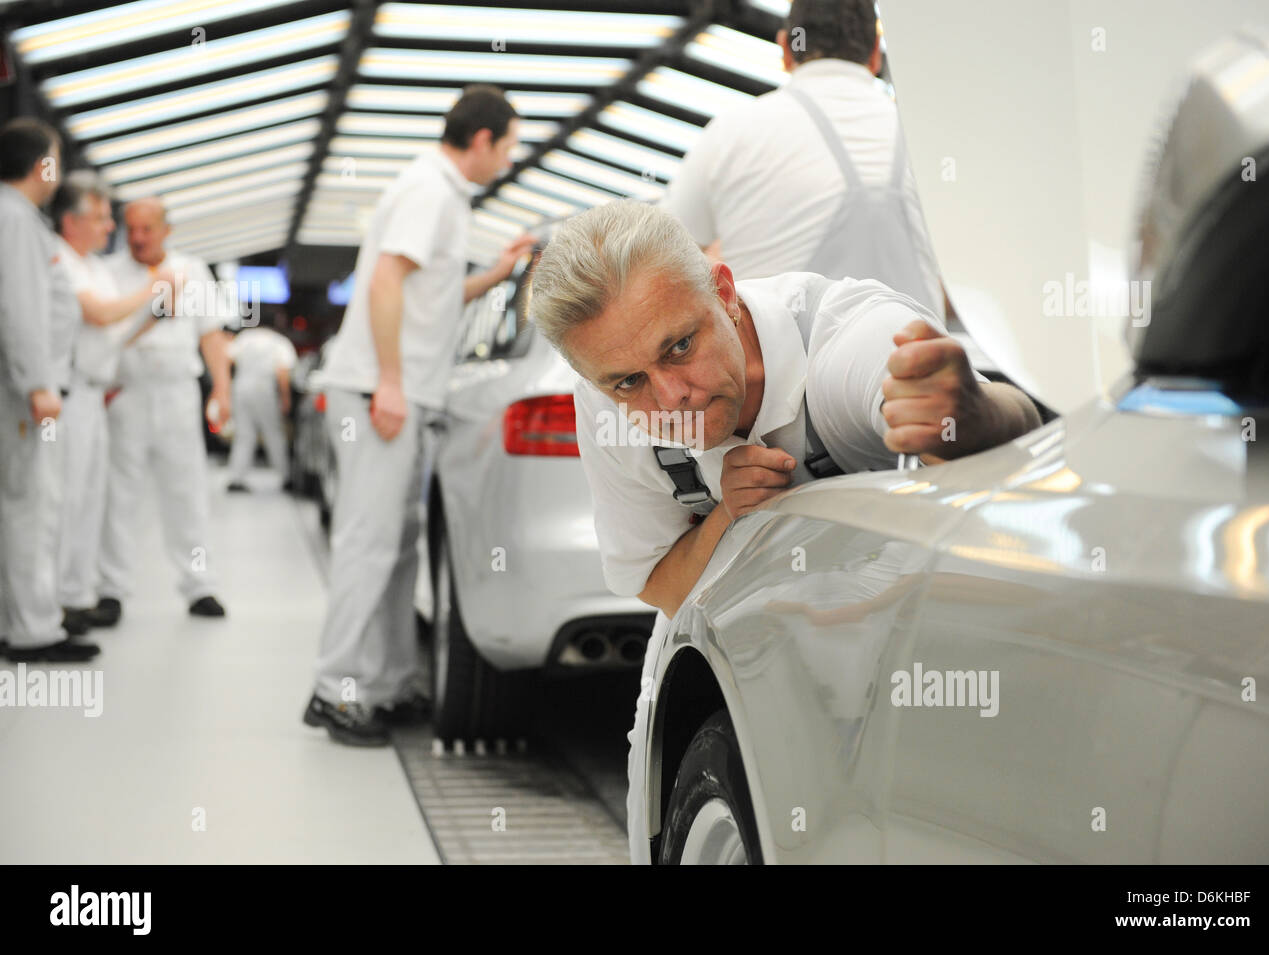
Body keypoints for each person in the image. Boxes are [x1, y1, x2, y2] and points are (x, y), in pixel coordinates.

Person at [526, 200, 1042, 862]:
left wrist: (962, 411)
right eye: (629, 382)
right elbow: (658, 581)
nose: (670, 397)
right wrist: (727, 513)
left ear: (724, 291)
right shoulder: (611, 410)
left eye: (680, 344)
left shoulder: (836, 337)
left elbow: (968, 406)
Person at [302, 84, 534, 746]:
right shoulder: (429, 190)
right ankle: (336, 690)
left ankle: (386, 683)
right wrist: (392, 382)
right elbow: (383, 283)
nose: (508, 161)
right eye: (509, 146)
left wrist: (496, 274)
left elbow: (427, 293)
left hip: (398, 392)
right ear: (483, 139)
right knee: (369, 543)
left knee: (397, 548)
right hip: (382, 392)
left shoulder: (443, 196)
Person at [659, 0, 944, 317]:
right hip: (920, 357)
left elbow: (666, 252)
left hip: (784, 363)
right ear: (876, 51)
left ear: (785, 47)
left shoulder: (733, 130)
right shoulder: (927, 135)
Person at [49, 171, 180, 632]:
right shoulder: (57, 258)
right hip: (62, 394)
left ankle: (73, 596)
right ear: (71, 221)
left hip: (95, 393)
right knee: (59, 500)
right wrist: (154, 285)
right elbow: (100, 314)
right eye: (102, 218)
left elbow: (115, 333)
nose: (111, 229)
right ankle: (45, 607)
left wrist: (157, 313)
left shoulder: (95, 267)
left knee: (89, 499)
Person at [92, 197, 232, 625]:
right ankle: (111, 588)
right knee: (119, 494)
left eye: (147, 228)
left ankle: (198, 584)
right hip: (127, 391)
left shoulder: (193, 271)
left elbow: (212, 336)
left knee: (186, 489)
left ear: (166, 229)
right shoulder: (109, 273)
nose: (137, 237)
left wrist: (222, 391)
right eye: (131, 228)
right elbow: (104, 332)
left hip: (176, 391)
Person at [0, 118, 98, 662]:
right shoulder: (14, 219)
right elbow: (20, 308)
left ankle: (20, 620)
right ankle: (33, 629)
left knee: (20, 505)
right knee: (28, 508)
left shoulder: (17, 218)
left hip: (19, 384)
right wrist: (39, 383)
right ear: (44, 165)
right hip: (20, 389)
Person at [225, 322, 297, 493]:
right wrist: (286, 398)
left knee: (244, 434)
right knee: (273, 433)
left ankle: (236, 478)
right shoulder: (280, 342)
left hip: (241, 387)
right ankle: (286, 477)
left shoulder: (245, 338)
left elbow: (228, 359)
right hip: (264, 389)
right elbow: (282, 372)